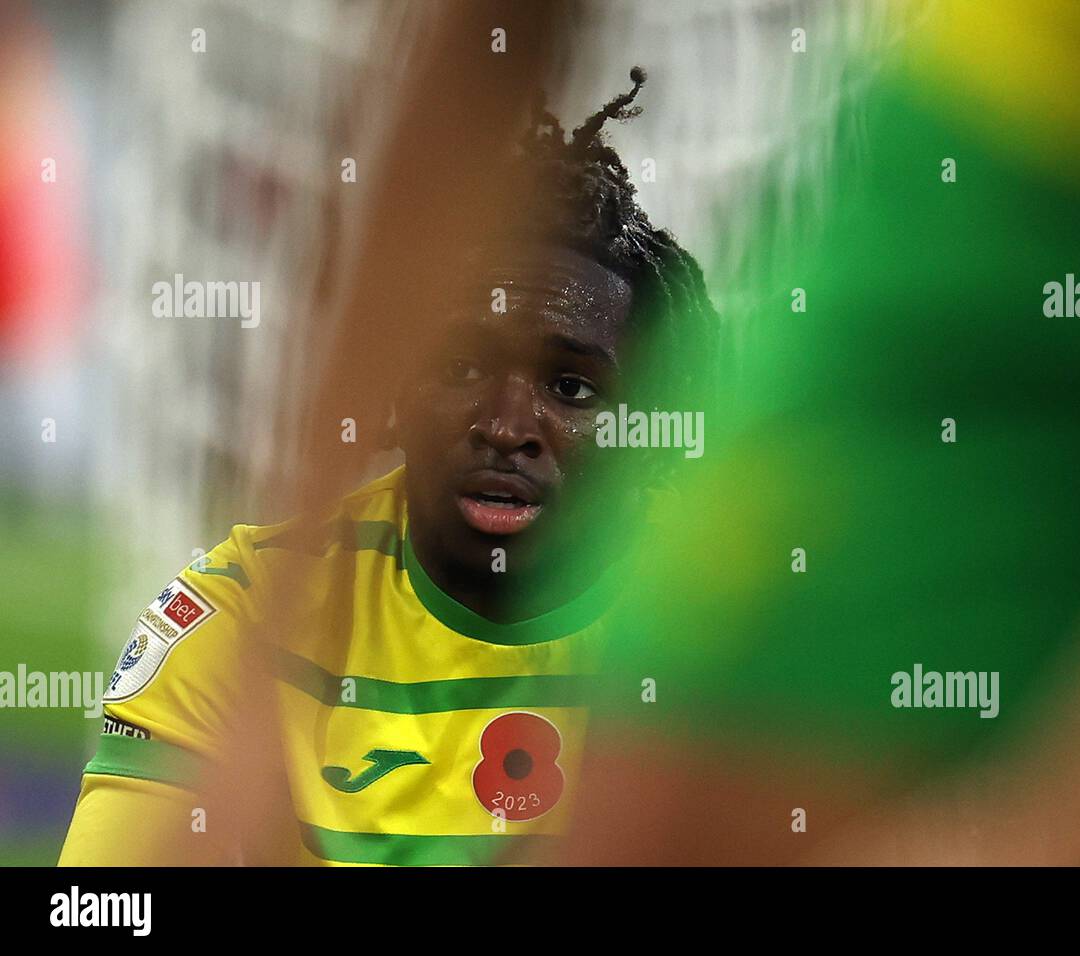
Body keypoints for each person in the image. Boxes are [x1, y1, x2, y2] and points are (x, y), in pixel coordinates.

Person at [58, 68, 718, 866]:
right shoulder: (240, 618)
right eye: (463, 368)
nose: (509, 429)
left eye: (571, 387)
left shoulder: (726, 638)